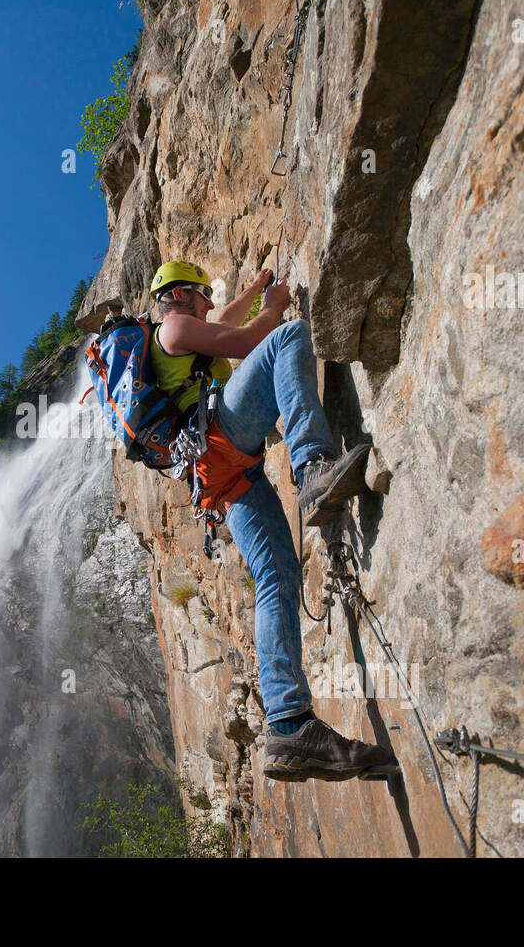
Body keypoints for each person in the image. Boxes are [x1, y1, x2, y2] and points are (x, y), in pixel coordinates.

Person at [148, 259, 395, 782]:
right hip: (222, 439)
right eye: (203, 295)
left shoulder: (181, 331)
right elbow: (241, 341)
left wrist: (257, 289)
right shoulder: (170, 326)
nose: (211, 303)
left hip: (222, 478)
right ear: (181, 295)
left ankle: (287, 725)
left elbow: (223, 327)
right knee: (286, 339)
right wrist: (274, 307)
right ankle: (312, 468)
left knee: (275, 577)